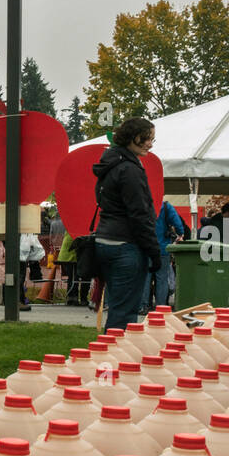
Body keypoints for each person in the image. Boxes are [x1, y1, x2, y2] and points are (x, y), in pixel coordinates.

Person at [91, 117, 158, 331]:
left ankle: (108, 354)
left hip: (104, 240)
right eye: (147, 138)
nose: (150, 144)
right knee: (125, 312)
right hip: (125, 245)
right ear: (134, 137)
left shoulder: (109, 164)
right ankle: (113, 359)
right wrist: (154, 251)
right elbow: (140, 214)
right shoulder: (130, 169)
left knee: (118, 306)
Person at [142, 199, 185, 312]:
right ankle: (160, 307)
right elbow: (178, 223)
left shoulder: (142, 203)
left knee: (145, 278)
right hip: (162, 248)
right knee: (162, 278)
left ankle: (143, 305)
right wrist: (180, 233)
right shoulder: (166, 206)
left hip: (145, 247)